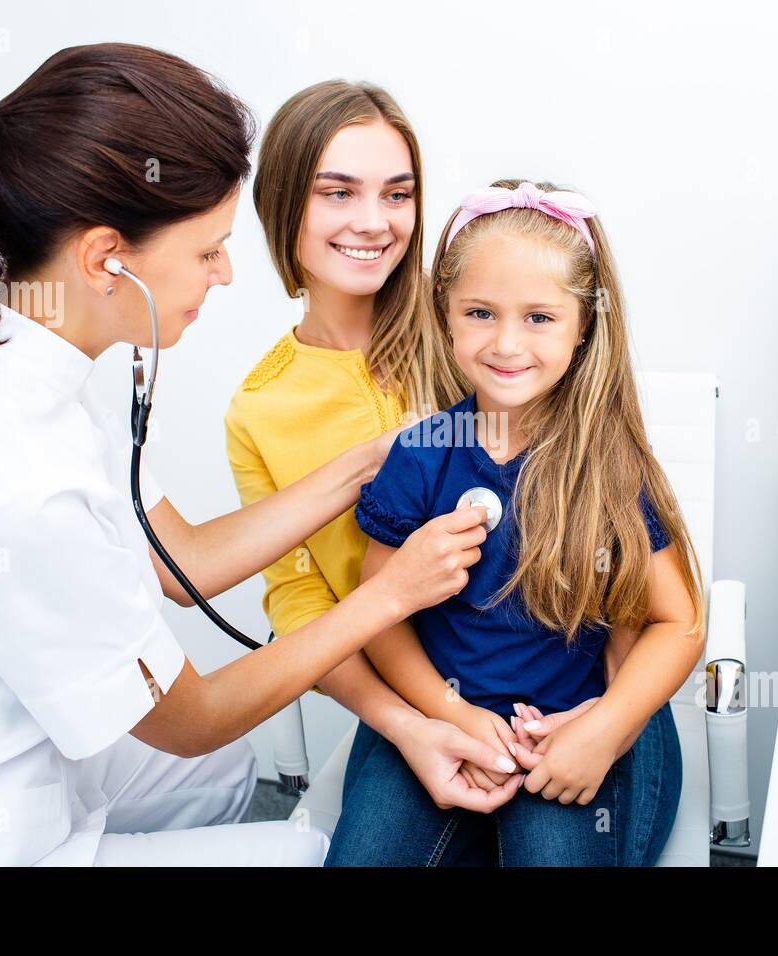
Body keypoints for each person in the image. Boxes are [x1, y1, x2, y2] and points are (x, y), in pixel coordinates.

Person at [0, 43, 492, 866]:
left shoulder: (14, 351)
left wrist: (364, 463)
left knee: (230, 783)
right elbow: (191, 717)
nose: (228, 273)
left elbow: (181, 561)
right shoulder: (17, 475)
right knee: (307, 849)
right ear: (105, 259)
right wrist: (391, 595)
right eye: (207, 250)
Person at [323, 179, 708, 866]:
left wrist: (606, 730)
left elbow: (678, 623)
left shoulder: (612, 465)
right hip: (439, 713)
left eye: (539, 317)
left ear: (584, 325)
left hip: (572, 726)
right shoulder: (419, 456)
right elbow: (378, 616)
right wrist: (456, 717)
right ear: (444, 312)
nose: (505, 343)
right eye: (480, 311)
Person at [224, 81, 521, 814]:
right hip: (409, 709)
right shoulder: (259, 410)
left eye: (397, 194)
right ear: (283, 204)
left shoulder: (478, 327)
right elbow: (299, 604)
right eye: (337, 193)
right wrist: (410, 725)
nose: (373, 222)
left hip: (544, 679)